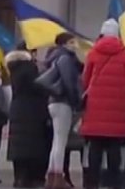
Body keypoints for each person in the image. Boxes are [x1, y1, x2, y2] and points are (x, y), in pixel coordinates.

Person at [82, 20, 125, 189]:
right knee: (114, 148)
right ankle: (114, 183)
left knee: (95, 148)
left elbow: (85, 80)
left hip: (95, 109)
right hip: (118, 109)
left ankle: (92, 182)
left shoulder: (93, 53)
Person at [42, 33, 83, 189]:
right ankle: (58, 177)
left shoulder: (54, 57)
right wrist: (75, 101)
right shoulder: (65, 58)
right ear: (64, 43)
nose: (74, 44)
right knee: (60, 142)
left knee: (56, 141)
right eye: (72, 42)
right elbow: (68, 82)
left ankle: (51, 176)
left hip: (53, 102)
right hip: (63, 102)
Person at [7, 49, 50, 188]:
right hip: (33, 112)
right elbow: (40, 88)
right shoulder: (30, 69)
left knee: (18, 148)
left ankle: (19, 178)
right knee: (32, 148)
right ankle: (30, 178)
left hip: (17, 111)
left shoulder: (14, 69)